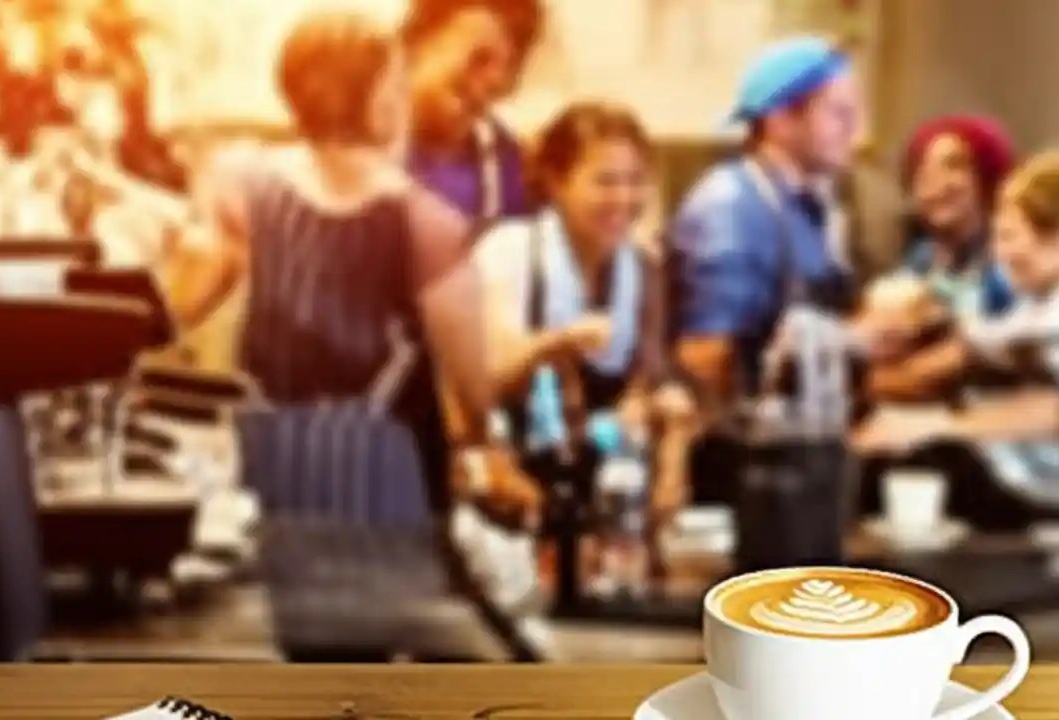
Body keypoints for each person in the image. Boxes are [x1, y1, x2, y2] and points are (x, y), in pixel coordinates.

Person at [167, 7, 495, 543]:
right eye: (396, 82)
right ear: (379, 98)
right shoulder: (429, 225)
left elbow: (181, 303)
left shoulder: (239, 181)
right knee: (374, 616)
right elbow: (472, 386)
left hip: (271, 457)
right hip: (385, 472)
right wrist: (481, 439)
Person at [855, 151, 1059, 527]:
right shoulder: (1039, 304)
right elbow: (980, 347)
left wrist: (938, 425)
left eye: (1010, 237)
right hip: (1030, 485)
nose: (1001, 254)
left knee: (921, 457)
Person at [460, 102, 696, 550]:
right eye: (605, 181)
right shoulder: (508, 252)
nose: (624, 199)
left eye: (635, 182)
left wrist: (666, 433)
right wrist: (557, 343)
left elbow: (649, 375)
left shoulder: (643, 267)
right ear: (555, 181)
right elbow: (483, 378)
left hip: (602, 489)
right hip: (512, 483)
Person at [672, 36, 862, 413]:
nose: (853, 129)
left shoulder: (814, 206)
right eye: (838, 114)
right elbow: (705, 357)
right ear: (780, 121)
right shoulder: (731, 206)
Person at [860, 116, 1017, 402]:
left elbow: (979, 354)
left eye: (953, 165)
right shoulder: (920, 260)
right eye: (921, 171)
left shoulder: (1011, 258)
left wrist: (870, 383)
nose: (935, 182)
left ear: (986, 176)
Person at [402, 0, 542, 224]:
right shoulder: (353, 147)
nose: (495, 81)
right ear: (418, 41)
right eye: (479, 58)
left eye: (510, 67)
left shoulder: (504, 165)